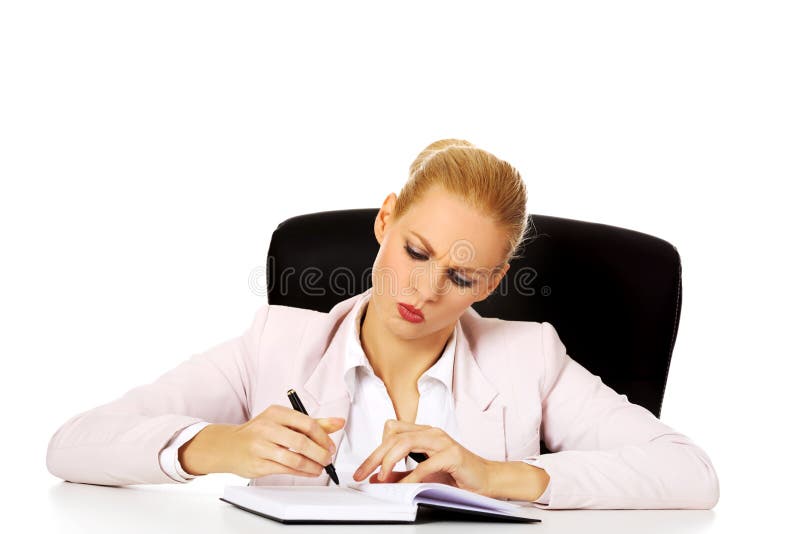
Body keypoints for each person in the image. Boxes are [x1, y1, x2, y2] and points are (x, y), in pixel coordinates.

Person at [46, 138, 720, 510]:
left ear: (490, 283)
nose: (421, 291)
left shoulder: (530, 359)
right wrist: (222, 448)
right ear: (385, 220)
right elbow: (72, 445)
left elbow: (691, 473)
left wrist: (496, 474)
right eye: (415, 251)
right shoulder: (275, 344)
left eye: (459, 277)